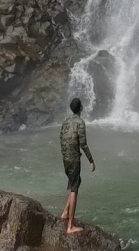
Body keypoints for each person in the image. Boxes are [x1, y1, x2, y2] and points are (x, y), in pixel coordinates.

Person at [59, 95, 95, 235]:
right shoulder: (80, 122)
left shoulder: (66, 121)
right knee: (74, 189)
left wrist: (66, 155)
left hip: (66, 158)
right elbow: (83, 144)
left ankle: (64, 213)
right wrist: (91, 160)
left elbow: (61, 138)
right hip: (74, 159)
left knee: (75, 181)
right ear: (81, 108)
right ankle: (70, 227)